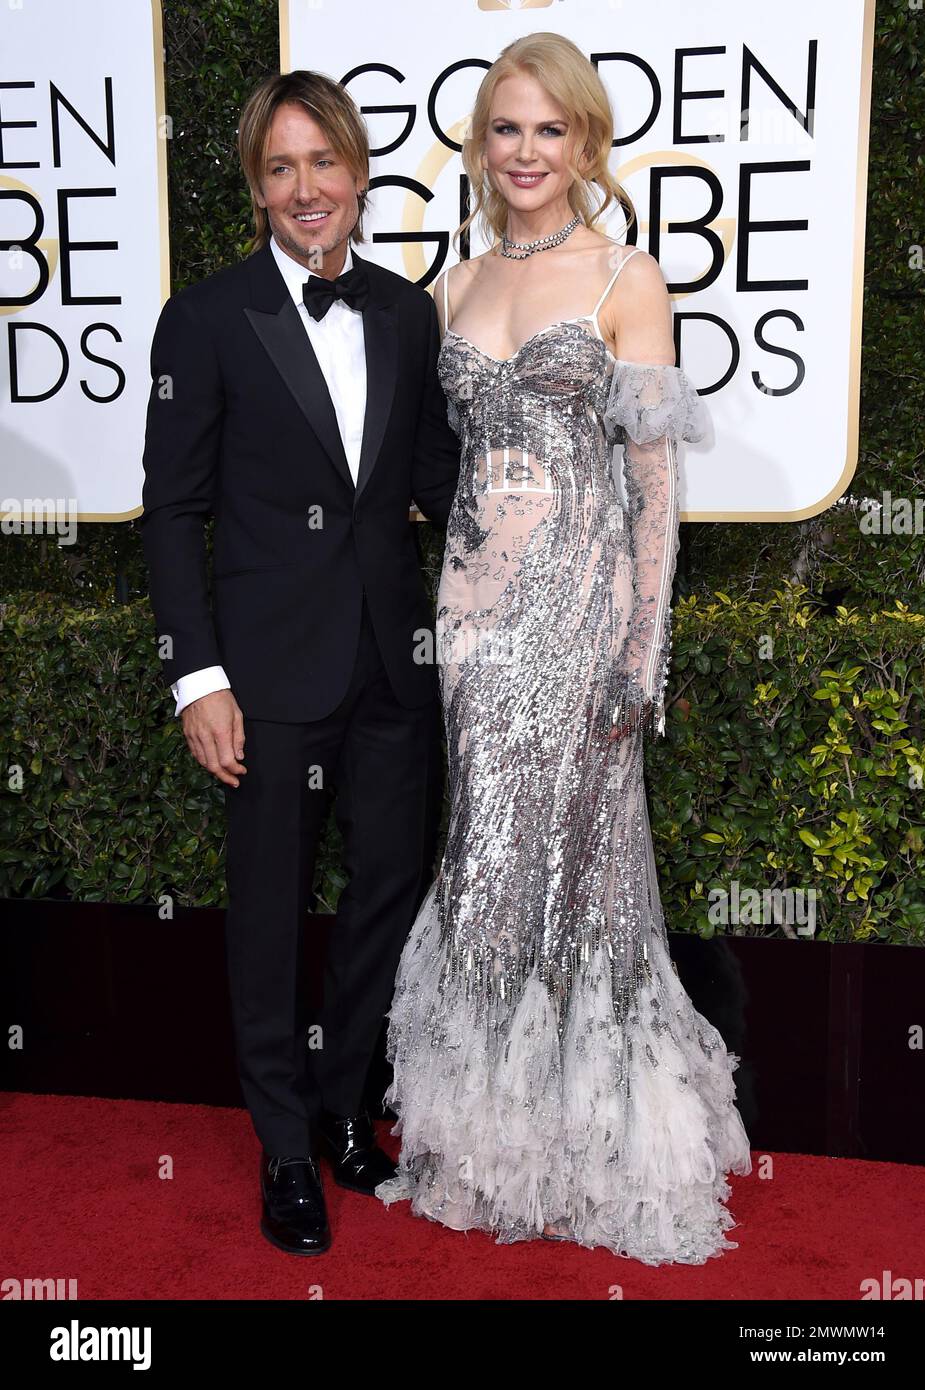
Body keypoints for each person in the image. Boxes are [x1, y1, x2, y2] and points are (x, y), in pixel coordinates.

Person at [375, 32, 752, 1265]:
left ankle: (601, 1143)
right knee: (482, 859)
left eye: (547, 129)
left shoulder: (623, 280)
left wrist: (640, 651)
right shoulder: (452, 286)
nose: (524, 151)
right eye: (503, 128)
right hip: (473, 629)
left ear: (585, 141)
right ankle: (487, 1143)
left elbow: (656, 492)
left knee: (582, 872)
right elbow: (440, 470)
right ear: (479, 146)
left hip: (580, 616)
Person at [140, 70, 460, 1256]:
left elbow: (429, 482)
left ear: (359, 171)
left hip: (392, 663)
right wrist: (197, 678)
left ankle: (340, 1110)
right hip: (265, 679)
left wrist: (541, 525)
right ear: (256, 186)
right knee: (267, 913)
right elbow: (171, 512)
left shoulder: (403, 310)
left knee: (385, 893)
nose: (306, 187)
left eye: (322, 162)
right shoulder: (206, 319)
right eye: (281, 168)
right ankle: (281, 1145)